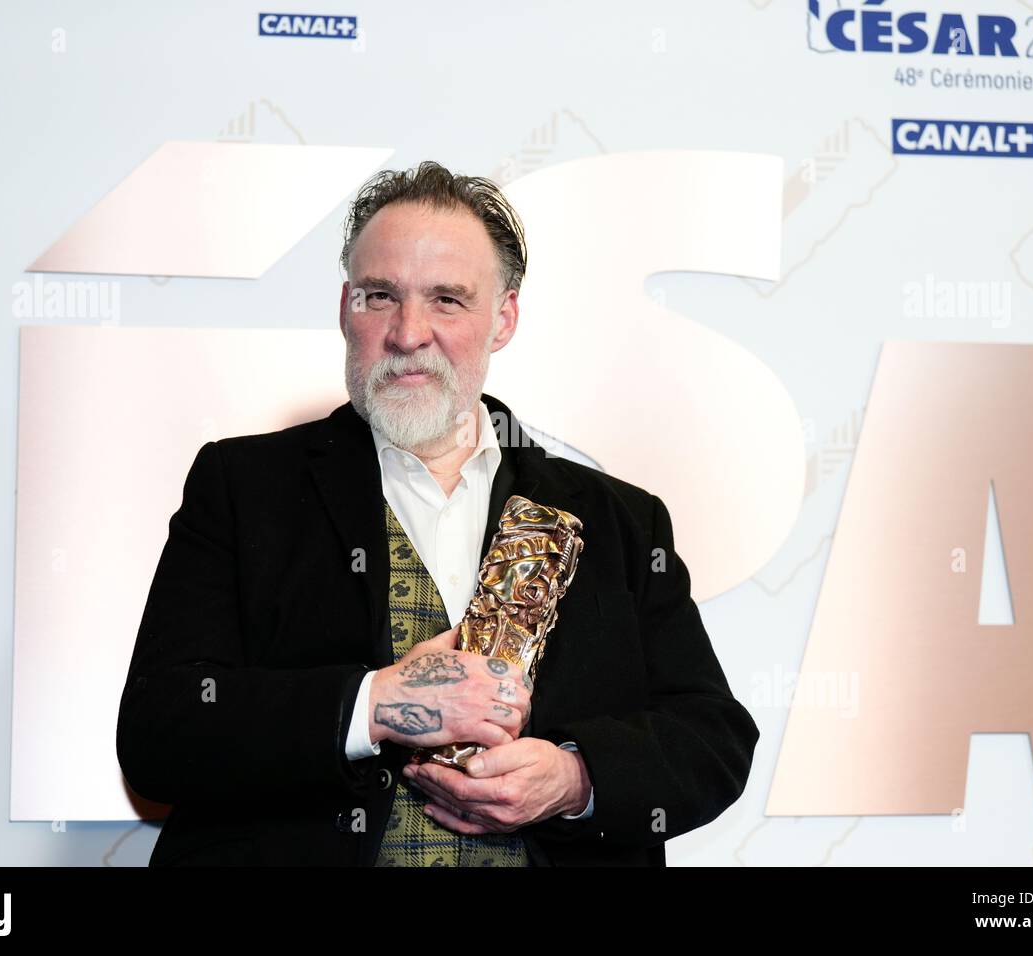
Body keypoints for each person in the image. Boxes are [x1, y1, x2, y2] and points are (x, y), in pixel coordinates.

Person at [116, 160, 759, 866]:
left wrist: (575, 779)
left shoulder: (621, 520)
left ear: (503, 318)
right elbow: (159, 730)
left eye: (447, 300)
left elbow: (712, 739)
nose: (408, 333)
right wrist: (375, 703)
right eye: (380, 296)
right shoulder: (242, 487)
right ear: (345, 308)